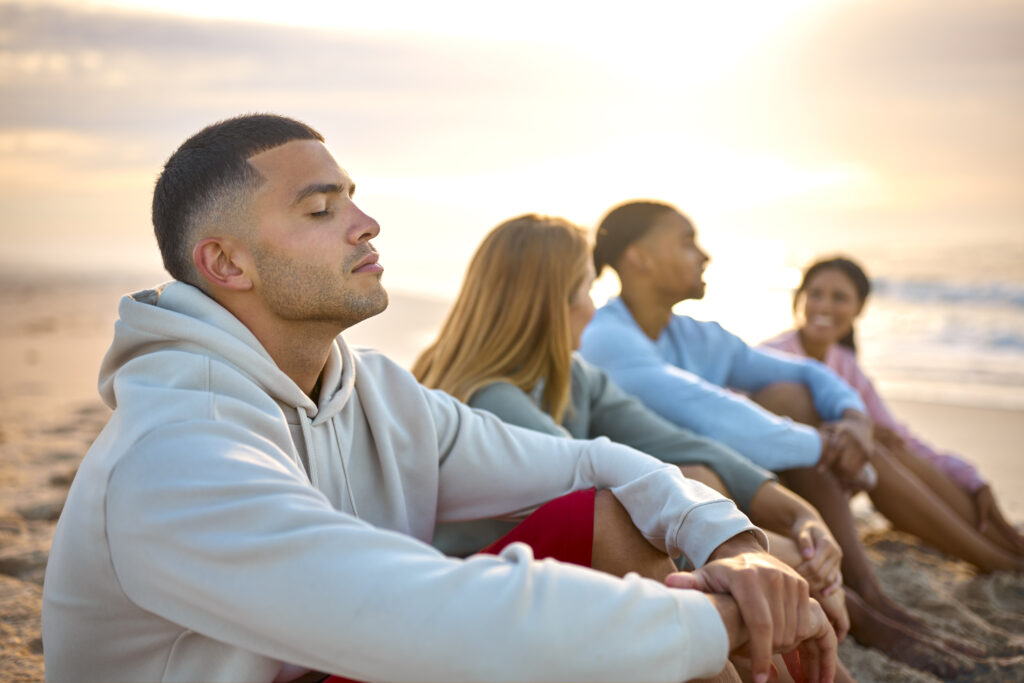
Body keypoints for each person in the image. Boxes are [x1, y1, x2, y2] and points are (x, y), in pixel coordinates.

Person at [40, 115, 835, 683]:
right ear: (226, 263)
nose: (367, 224)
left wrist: (732, 545)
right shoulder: (178, 450)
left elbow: (594, 461)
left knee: (611, 516)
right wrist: (721, 618)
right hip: (373, 645)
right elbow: (427, 614)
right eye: (321, 209)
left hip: (344, 662)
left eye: (353, 198)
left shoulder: (377, 392)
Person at [412, 214, 854, 650]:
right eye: (588, 289)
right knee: (650, 521)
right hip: (485, 601)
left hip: (556, 582)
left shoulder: (575, 377)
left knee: (699, 477)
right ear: (551, 303)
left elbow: (681, 443)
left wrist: (801, 516)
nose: (593, 308)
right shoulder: (492, 398)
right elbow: (604, 499)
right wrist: (770, 557)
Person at [578, 199, 979, 677]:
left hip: (726, 486)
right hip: (666, 510)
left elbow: (804, 371)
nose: (704, 255)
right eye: (687, 242)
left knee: (793, 396)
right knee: (743, 456)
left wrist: (853, 417)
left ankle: (905, 581)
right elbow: (712, 416)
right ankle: (870, 599)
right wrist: (827, 445)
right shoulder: (606, 337)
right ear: (638, 257)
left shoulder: (696, 336)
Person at [761, 256, 1024, 572]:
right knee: (870, 446)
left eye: (839, 297)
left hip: (832, 481)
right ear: (799, 299)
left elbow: (903, 439)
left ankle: (1005, 543)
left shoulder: (844, 362)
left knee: (889, 443)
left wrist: (972, 480)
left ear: (859, 308)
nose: (824, 305)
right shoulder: (770, 356)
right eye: (815, 294)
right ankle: (992, 559)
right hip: (780, 485)